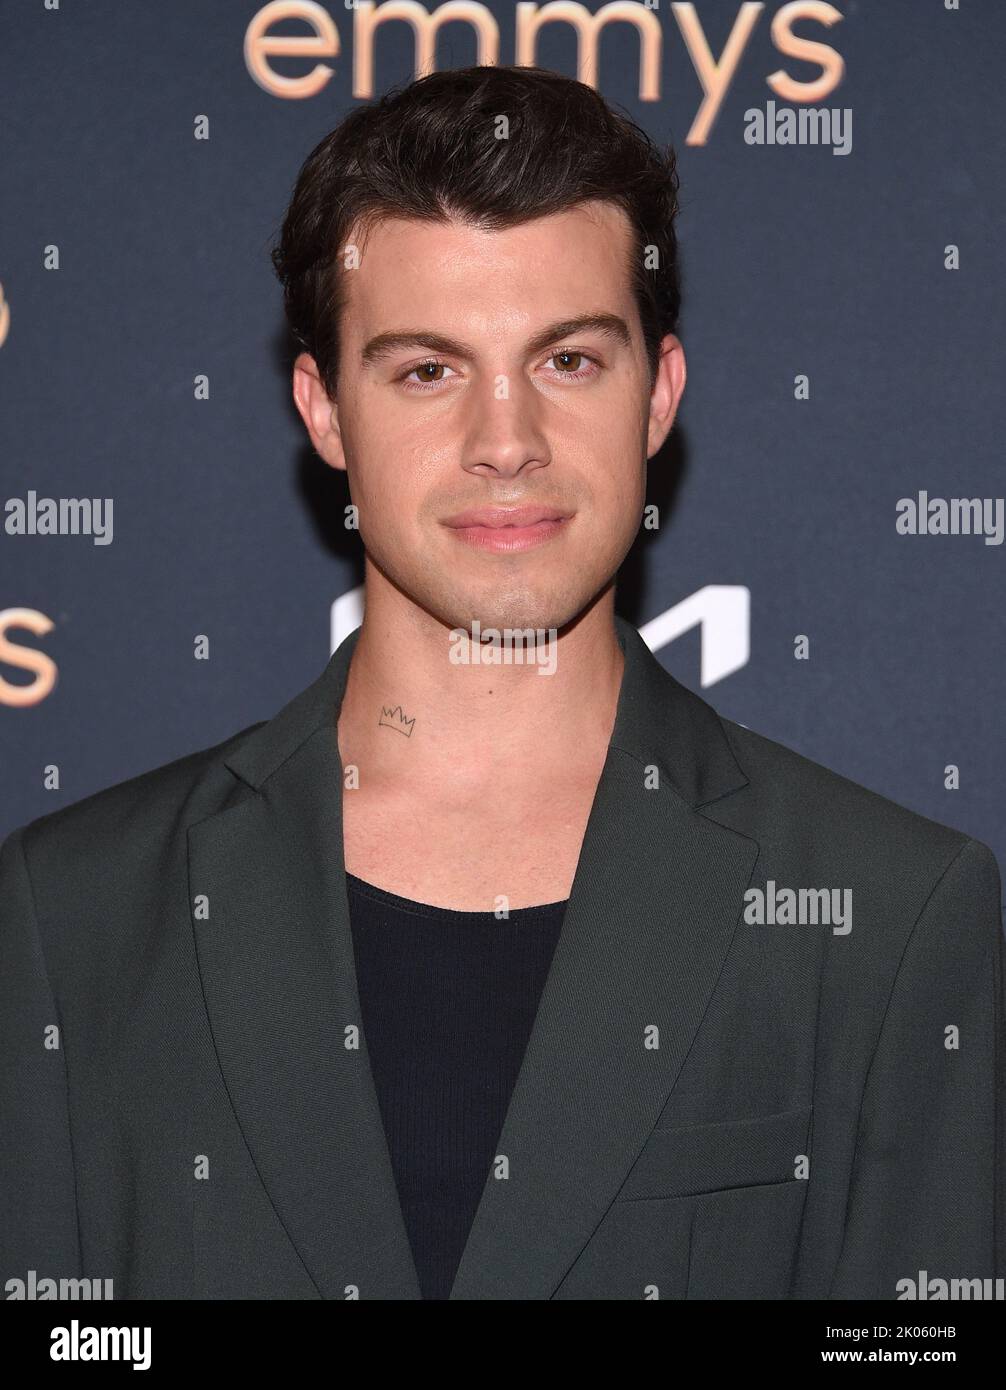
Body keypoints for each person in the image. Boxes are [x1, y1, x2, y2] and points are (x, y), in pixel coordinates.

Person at [1, 65, 1001, 1302]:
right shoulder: (76, 917)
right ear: (323, 411)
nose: (505, 438)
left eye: (569, 360)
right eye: (426, 370)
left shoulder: (883, 914)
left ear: (659, 393)